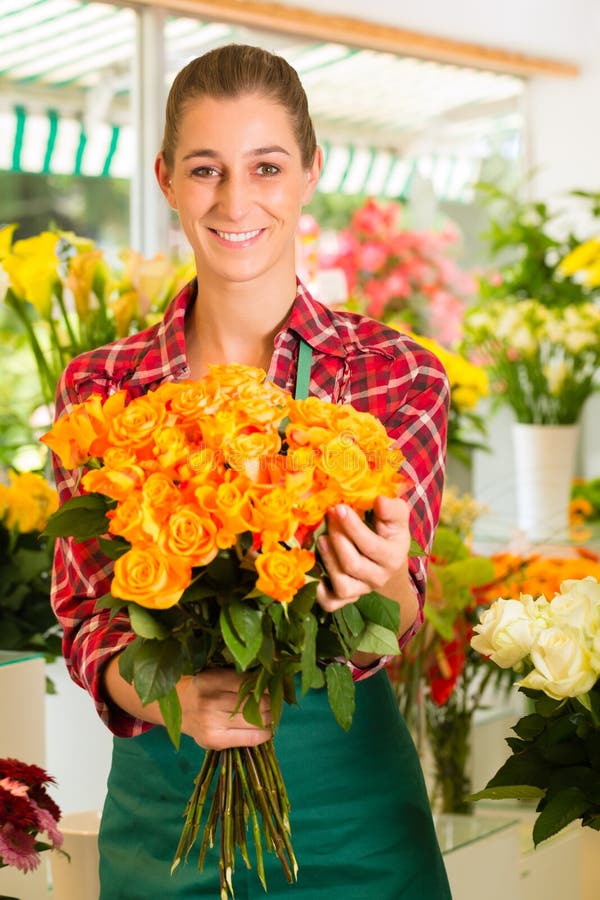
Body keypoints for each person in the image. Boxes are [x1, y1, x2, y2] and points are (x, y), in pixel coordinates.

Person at [51, 44, 452, 899]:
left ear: (310, 170)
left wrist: (380, 583)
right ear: (164, 178)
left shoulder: (397, 374)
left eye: (266, 166)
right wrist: (170, 702)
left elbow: (404, 599)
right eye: (206, 169)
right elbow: (87, 615)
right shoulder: (102, 389)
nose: (236, 201)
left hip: (357, 840)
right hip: (165, 836)